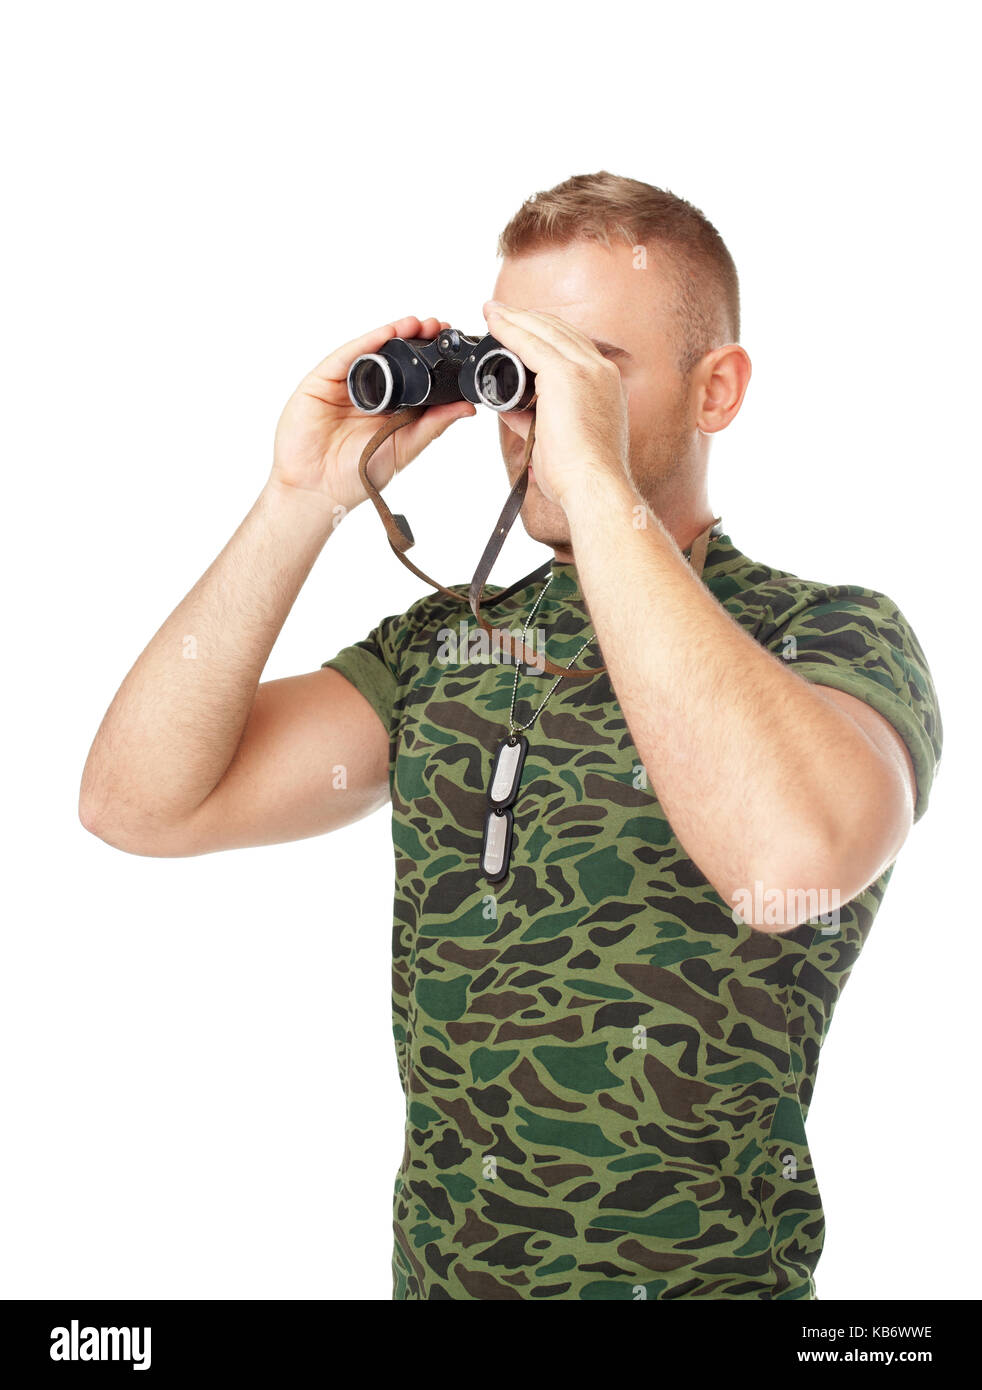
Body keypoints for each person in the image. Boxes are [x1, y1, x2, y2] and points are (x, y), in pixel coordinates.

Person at [79, 171, 942, 1300]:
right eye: (517, 374)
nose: (533, 414)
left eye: (587, 370)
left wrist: (593, 488)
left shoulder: (824, 636)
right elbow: (140, 803)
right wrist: (299, 497)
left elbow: (790, 856)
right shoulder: (456, 644)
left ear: (716, 389)